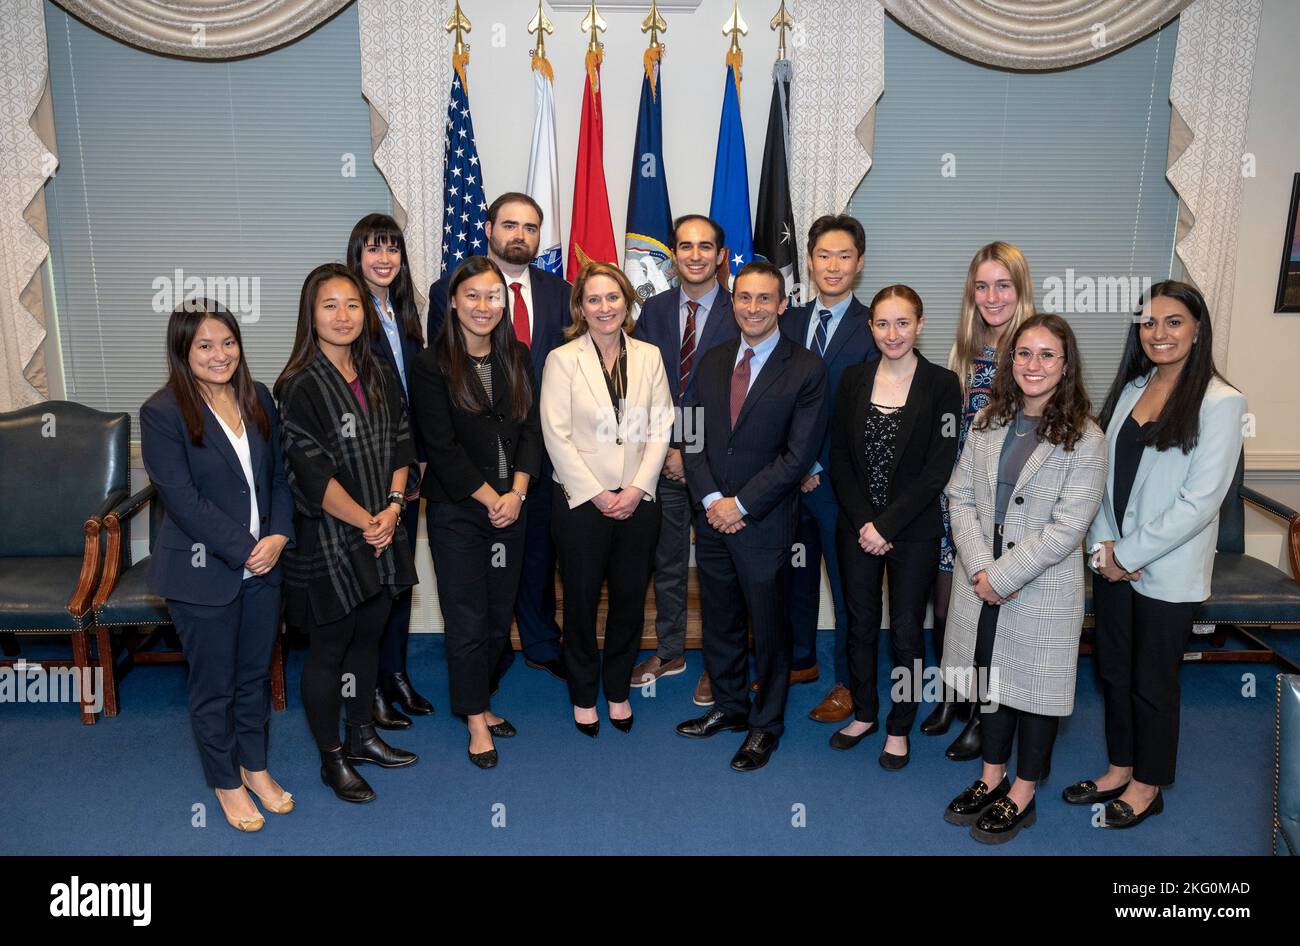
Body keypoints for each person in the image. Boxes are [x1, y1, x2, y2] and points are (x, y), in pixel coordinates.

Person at [1068, 281, 1246, 828]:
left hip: (1166, 570)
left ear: (1197, 329)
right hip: (1113, 563)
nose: (1159, 333)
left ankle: (1149, 785)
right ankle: (1121, 766)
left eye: (1173, 322)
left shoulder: (1222, 401)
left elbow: (1201, 501)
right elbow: (1102, 474)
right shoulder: (1131, 388)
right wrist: (1104, 549)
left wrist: (1130, 552)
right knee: (1114, 673)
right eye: (1148, 323)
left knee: (1153, 680)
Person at [941, 313, 1106, 843]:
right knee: (989, 679)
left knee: (1034, 692)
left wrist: (1003, 575)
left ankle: (1023, 792)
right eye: (1024, 353)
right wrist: (978, 567)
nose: (1033, 365)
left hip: (1040, 583)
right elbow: (959, 494)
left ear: (1065, 365)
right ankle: (991, 777)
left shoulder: (1086, 437)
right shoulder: (990, 420)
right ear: (1011, 361)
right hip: (981, 574)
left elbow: (1067, 529)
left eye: (1046, 355)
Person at [140, 299, 295, 833]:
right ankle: (226, 784)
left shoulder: (259, 397)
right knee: (215, 686)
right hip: (203, 574)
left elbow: (278, 477)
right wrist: (246, 547)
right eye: (204, 345)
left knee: (254, 678)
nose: (219, 353)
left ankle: (255, 769)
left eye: (227, 342)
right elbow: (182, 500)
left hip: (265, 566)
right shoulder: (162, 413)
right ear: (183, 351)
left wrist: (277, 535)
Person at [675, 261, 828, 772]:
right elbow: (691, 436)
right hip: (712, 519)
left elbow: (798, 456)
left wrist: (739, 505)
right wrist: (712, 500)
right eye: (744, 297)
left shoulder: (806, 368)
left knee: (769, 628)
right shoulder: (713, 359)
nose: (754, 307)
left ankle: (766, 726)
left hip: (763, 523)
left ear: (783, 304)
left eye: (765, 299)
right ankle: (731, 707)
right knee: (719, 621)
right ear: (733, 301)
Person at [276, 263, 419, 803]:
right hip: (333, 537)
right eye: (330, 305)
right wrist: (368, 520)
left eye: (353, 304)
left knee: (371, 634)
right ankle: (331, 758)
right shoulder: (296, 386)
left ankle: (362, 735)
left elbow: (403, 443)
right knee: (330, 648)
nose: (343, 315)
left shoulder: (380, 372)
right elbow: (311, 472)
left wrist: (391, 507)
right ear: (310, 315)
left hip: (385, 524)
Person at [429, 193, 570, 685]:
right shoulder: (446, 290)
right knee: (480, 575)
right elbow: (443, 382)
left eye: (531, 228)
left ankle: (537, 639)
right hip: (470, 470)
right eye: (510, 224)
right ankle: (490, 653)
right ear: (488, 228)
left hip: (542, 453)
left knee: (534, 553)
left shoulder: (561, 291)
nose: (520, 235)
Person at [410, 256, 541, 768]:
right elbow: (440, 448)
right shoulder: (430, 364)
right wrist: (493, 499)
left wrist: (520, 493)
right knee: (465, 617)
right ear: (454, 302)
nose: (483, 306)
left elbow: (531, 430)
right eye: (473, 296)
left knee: (495, 616)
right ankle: (473, 716)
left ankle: (481, 699)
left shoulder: (519, 356)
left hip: (515, 506)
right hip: (460, 510)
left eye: (493, 297)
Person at [828, 286, 960, 768]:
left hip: (914, 531)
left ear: (920, 324)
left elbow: (938, 466)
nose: (892, 333)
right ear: (871, 328)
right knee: (860, 625)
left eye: (903, 323)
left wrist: (887, 525)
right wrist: (866, 522)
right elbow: (838, 456)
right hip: (856, 528)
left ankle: (899, 725)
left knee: (905, 631)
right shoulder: (852, 379)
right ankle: (864, 712)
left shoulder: (944, 385)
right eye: (883, 323)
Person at [541, 263, 673, 736]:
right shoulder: (562, 360)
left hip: (639, 502)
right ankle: (582, 694)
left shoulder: (649, 356)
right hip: (581, 503)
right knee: (578, 602)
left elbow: (660, 427)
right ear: (580, 307)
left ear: (627, 303)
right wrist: (598, 494)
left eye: (613, 298)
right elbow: (555, 436)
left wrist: (637, 488)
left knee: (630, 602)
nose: (604, 308)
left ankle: (617, 689)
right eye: (593, 299)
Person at [927, 241, 1037, 761]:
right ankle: (953, 692)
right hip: (955, 499)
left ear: (1021, 289)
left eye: (1003, 285)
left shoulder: (1031, 349)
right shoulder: (965, 350)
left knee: (988, 607)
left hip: (1001, 507)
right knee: (947, 604)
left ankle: (981, 714)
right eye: (982, 286)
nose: (992, 297)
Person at [630, 214, 740, 706]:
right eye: (685, 246)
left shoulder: (742, 309)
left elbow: (740, 392)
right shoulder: (651, 311)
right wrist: (666, 450)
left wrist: (688, 450)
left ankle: (719, 665)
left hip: (720, 464)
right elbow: (641, 388)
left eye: (705, 246)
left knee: (721, 570)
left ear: (720, 255)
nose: (694, 254)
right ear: (673, 256)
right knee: (667, 561)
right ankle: (671, 650)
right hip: (661, 460)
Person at [785, 214, 880, 724]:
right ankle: (799, 661)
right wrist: (791, 464)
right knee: (793, 576)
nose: (833, 265)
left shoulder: (874, 328)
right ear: (809, 260)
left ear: (859, 263)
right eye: (824, 255)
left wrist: (815, 463)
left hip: (839, 485)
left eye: (845, 256)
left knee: (848, 590)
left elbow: (866, 416)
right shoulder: (788, 320)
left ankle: (848, 682)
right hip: (786, 483)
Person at [347, 213, 432, 729]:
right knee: (371, 585)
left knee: (399, 579)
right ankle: (370, 687)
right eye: (374, 249)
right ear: (356, 255)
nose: (384, 259)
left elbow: (412, 391)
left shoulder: (403, 309)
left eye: (392, 249)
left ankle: (396, 674)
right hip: (367, 466)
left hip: (409, 464)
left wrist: (418, 454)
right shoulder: (350, 310)